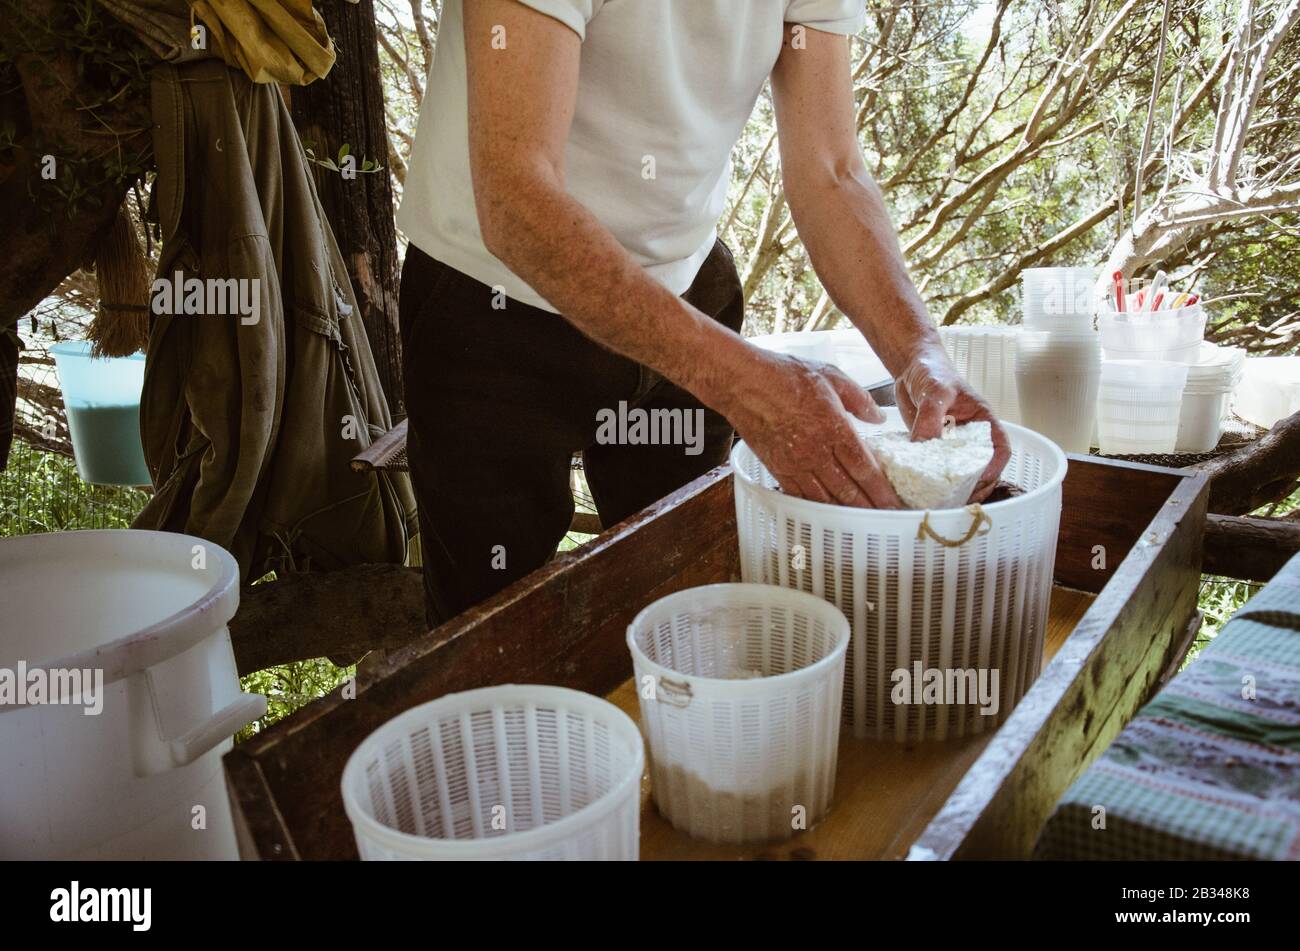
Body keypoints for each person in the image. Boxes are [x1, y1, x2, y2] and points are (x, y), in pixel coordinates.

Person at [398, 0, 1009, 626]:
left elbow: (832, 169)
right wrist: (750, 386)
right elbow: (517, 196)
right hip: (492, 300)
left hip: (688, 286)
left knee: (687, 601)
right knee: (486, 633)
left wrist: (919, 353)